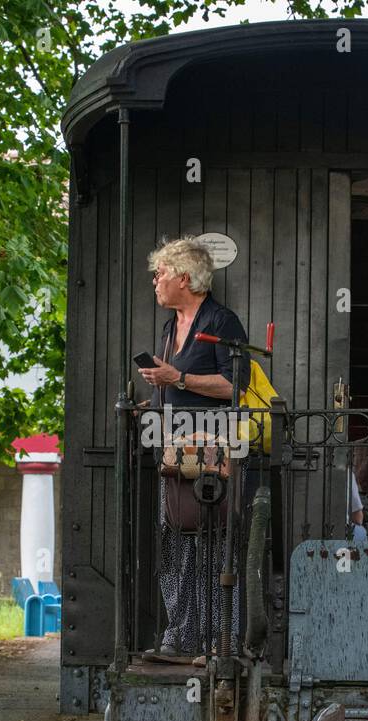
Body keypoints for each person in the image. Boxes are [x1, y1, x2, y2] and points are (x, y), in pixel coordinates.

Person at [138, 237, 248, 659]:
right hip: (173, 449)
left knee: (217, 545)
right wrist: (153, 403)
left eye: (161, 272)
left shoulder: (221, 322)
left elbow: (235, 386)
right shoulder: (170, 328)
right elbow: (178, 386)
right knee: (175, 542)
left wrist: (178, 380)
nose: (156, 280)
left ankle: (221, 642)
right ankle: (179, 637)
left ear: (185, 278)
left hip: (213, 452)